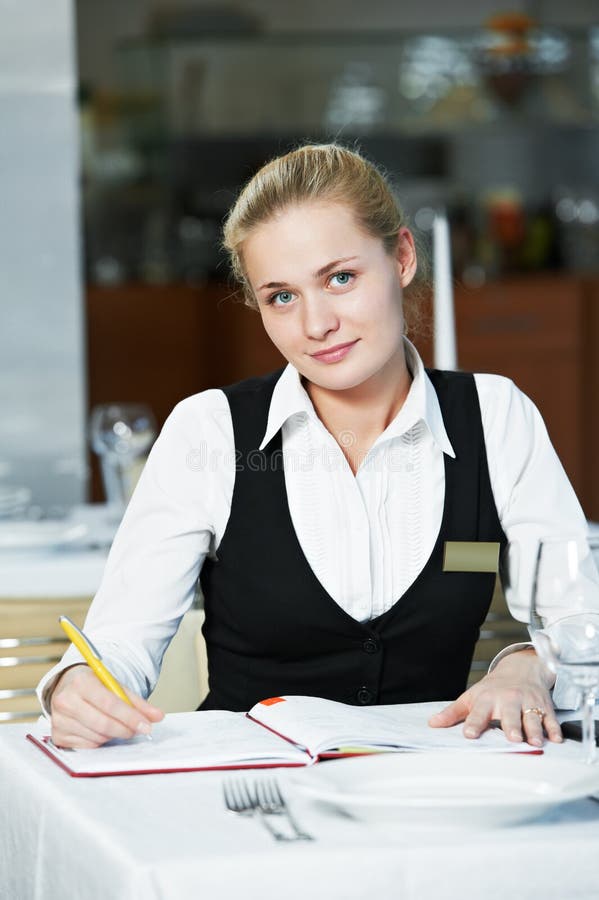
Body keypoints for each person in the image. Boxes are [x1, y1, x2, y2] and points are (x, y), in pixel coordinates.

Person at [39, 143, 588, 750]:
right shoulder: (210, 432)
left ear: (402, 257)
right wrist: (77, 686)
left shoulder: (495, 417)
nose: (315, 324)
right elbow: (119, 642)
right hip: (246, 792)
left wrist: (525, 664)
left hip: (428, 794)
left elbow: (579, 617)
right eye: (281, 296)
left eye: (341, 278)